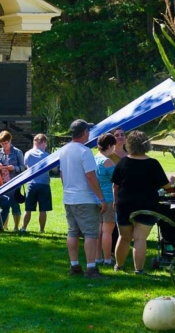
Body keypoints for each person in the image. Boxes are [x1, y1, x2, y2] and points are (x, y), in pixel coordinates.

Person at [113, 130, 175, 274]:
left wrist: (115, 200)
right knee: (140, 238)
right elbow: (167, 187)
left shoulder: (123, 162)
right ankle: (139, 270)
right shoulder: (153, 164)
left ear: (129, 144)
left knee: (124, 238)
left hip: (124, 203)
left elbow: (115, 185)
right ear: (146, 144)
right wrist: (173, 185)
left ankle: (119, 266)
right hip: (147, 203)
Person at [60, 119, 108, 279]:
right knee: (90, 234)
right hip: (85, 198)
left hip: (69, 198)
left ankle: (74, 265)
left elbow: (61, 174)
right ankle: (91, 268)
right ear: (85, 132)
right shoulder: (85, 151)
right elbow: (90, 176)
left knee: (72, 232)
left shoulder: (64, 150)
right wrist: (101, 198)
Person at [0, 130, 25, 231]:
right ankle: (4, 226)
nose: (4, 145)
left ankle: (16, 227)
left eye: (6, 143)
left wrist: (14, 168)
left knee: (15, 204)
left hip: (14, 183)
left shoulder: (17, 152)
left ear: (10, 140)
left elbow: (23, 168)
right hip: (1, 183)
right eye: (2, 143)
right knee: (4, 205)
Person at [94, 133, 117, 267]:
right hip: (108, 198)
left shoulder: (94, 159)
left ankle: (97, 257)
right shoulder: (107, 161)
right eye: (113, 145)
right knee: (108, 231)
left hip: (96, 198)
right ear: (109, 146)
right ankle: (108, 258)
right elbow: (117, 179)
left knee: (99, 230)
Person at [21, 133, 52, 234]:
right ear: (43, 142)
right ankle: (42, 230)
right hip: (44, 184)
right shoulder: (47, 156)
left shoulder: (27, 154)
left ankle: (23, 228)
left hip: (31, 184)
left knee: (28, 209)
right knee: (43, 209)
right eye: (45, 144)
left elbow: (26, 166)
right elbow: (54, 169)